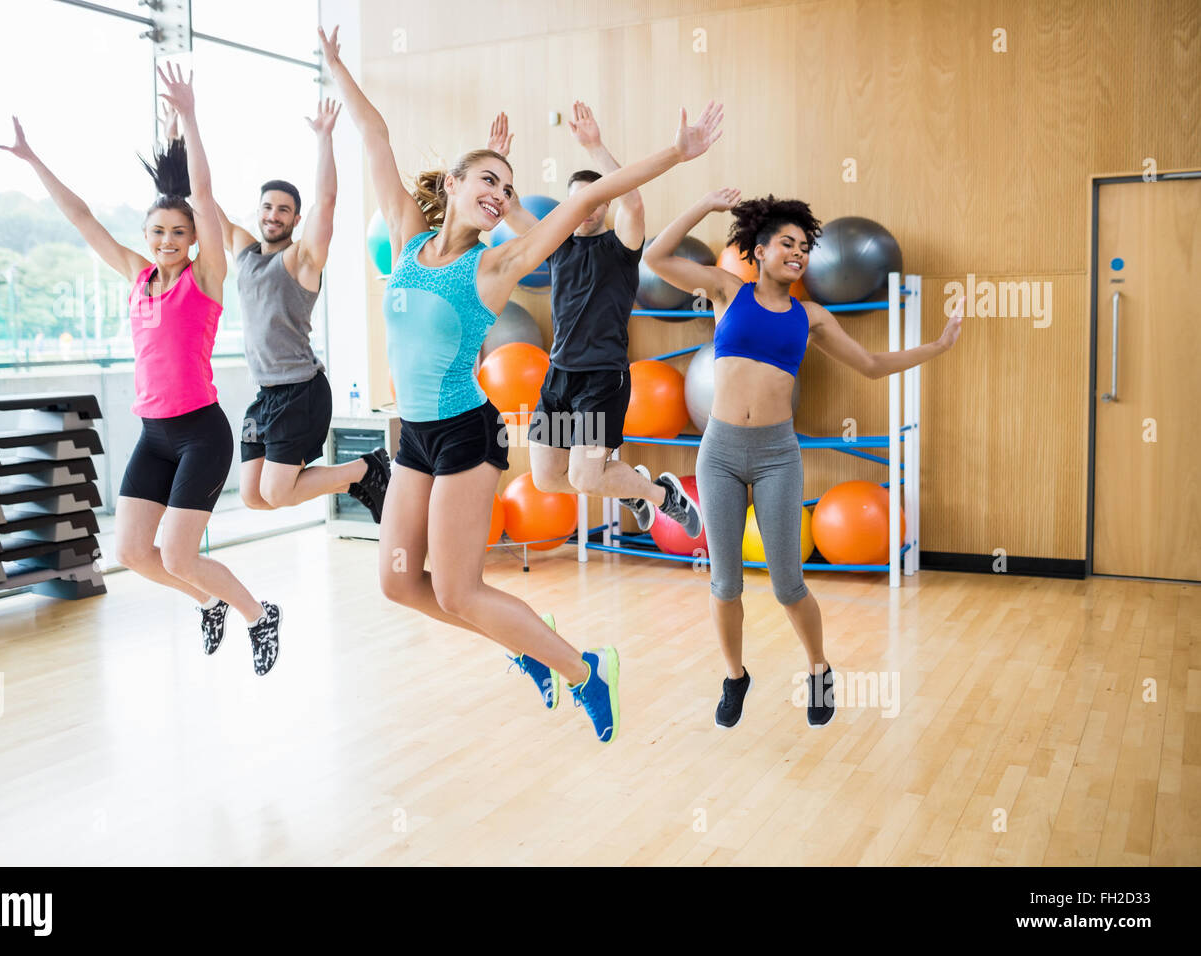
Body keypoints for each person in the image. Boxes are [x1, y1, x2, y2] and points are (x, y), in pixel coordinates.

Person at [321, 24, 722, 741]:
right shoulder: (409, 237)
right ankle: (530, 644)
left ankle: (583, 668)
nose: (502, 194)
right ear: (454, 186)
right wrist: (334, 64)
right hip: (415, 433)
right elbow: (375, 138)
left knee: (457, 587)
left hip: (465, 436)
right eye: (489, 181)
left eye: (508, 187)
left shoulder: (498, 267)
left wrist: (676, 153)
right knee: (396, 583)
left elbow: (599, 198)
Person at [0, 65, 282, 676]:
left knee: (178, 552)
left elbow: (204, 197)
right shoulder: (138, 278)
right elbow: (82, 220)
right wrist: (33, 160)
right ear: (148, 234)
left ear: (193, 239)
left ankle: (259, 615)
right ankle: (208, 601)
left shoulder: (206, 281)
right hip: (154, 434)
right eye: (158, 230)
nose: (168, 238)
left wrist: (191, 118)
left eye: (179, 232)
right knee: (132, 551)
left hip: (201, 433)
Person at [644, 189, 963, 727]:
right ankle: (735, 677)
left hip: (776, 455)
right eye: (787, 243)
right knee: (725, 583)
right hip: (718, 451)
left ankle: (818, 670)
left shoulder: (810, 316)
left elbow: (872, 364)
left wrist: (937, 347)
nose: (798, 252)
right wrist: (703, 204)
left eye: (805, 246)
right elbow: (654, 258)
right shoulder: (727, 290)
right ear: (760, 251)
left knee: (788, 583)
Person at [486, 106, 701, 537]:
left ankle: (662, 496)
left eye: (596, 198)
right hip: (558, 377)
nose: (586, 208)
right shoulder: (557, 244)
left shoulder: (622, 245)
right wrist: (496, 164)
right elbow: (510, 211)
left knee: (586, 476)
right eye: (578, 201)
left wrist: (594, 146)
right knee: (548, 478)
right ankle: (630, 488)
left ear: (604, 202)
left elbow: (633, 199)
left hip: (602, 378)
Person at [203, 100, 391, 521]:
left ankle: (365, 466)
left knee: (278, 491)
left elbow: (326, 202)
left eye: (283, 209)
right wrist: (181, 138)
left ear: (295, 218)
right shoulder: (246, 251)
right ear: (258, 211)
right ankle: (363, 477)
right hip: (265, 395)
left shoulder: (302, 261)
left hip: (300, 392)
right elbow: (204, 201)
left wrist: (324, 139)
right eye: (267, 207)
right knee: (253, 495)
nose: (273, 215)